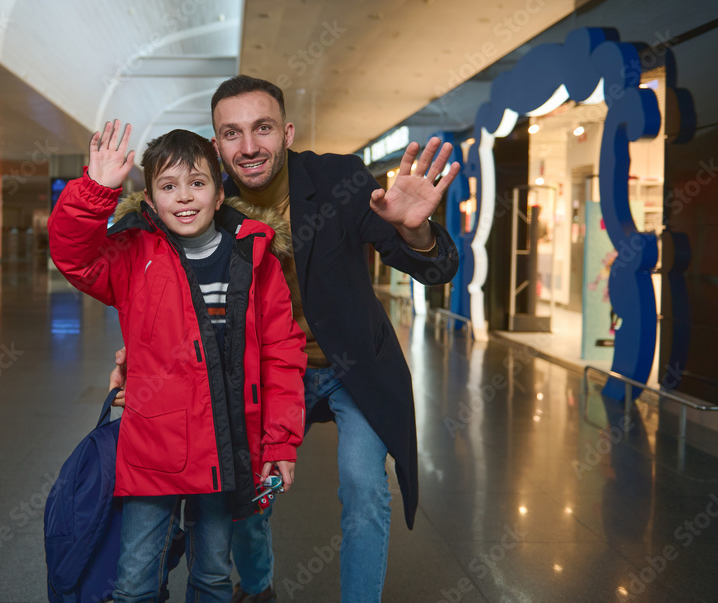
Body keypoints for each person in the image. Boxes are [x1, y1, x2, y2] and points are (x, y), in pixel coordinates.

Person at [208, 75, 460, 602]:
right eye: (232, 134)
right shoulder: (208, 202)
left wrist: (416, 230)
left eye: (263, 128)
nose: (249, 146)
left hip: (353, 368)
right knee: (249, 492)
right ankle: (257, 589)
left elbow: (430, 267)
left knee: (364, 487)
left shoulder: (338, 177)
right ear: (216, 145)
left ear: (288, 131)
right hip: (269, 373)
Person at [48, 122, 307, 602]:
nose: (184, 198)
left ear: (219, 190)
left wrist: (282, 442)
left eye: (197, 183)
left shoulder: (254, 256)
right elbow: (74, 258)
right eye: (169, 186)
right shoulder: (133, 255)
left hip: (227, 448)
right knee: (134, 584)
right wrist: (94, 191)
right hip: (154, 448)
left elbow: (281, 353)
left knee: (211, 576)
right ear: (150, 197)